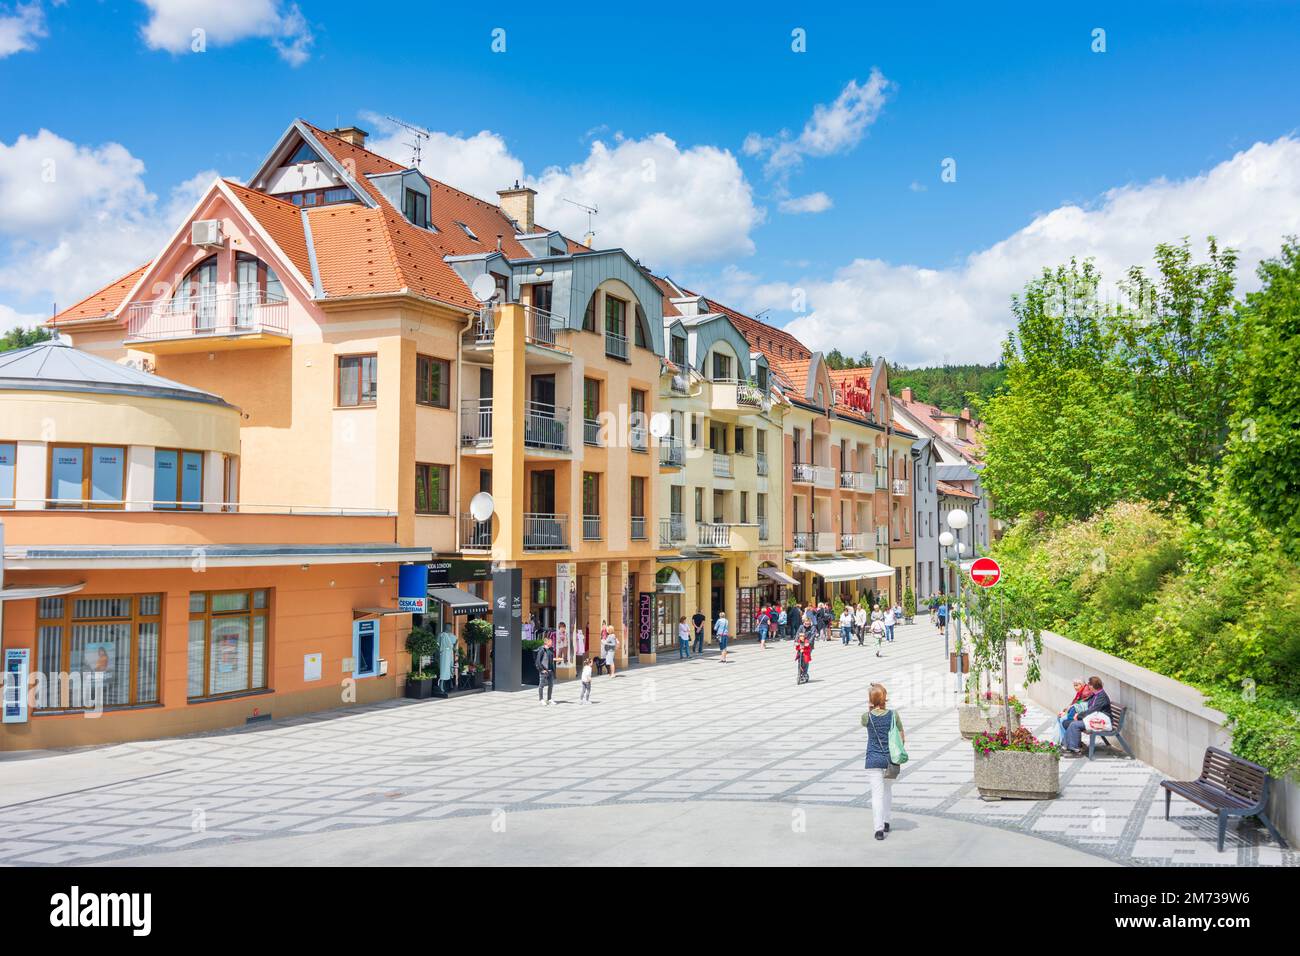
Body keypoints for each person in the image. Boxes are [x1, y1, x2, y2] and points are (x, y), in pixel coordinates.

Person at [862, 682, 904, 841]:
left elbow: (865, 721)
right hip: (890, 760)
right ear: (885, 699)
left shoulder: (866, 717)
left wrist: (871, 706)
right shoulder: (894, 715)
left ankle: (879, 829)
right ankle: (886, 821)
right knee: (887, 791)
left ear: (871, 700)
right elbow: (901, 736)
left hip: (873, 760)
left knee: (876, 795)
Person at [1063, 676, 1112, 755]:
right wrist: (1077, 713)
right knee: (1066, 722)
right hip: (1093, 719)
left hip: (1101, 722)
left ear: (1092, 686)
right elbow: (1088, 707)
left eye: (1089, 685)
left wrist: (1079, 716)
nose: (1088, 686)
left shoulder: (1101, 697)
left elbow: (1092, 710)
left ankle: (1075, 749)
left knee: (1074, 725)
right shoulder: (1096, 694)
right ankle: (1067, 745)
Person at [535, 634, 555, 705]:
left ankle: (549, 699)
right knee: (541, 685)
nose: (552, 643)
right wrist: (541, 670)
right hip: (544, 671)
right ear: (546, 642)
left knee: (551, 685)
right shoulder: (542, 650)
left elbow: (551, 659)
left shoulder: (551, 649)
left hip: (550, 671)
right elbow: (538, 661)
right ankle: (541, 699)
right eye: (551, 642)